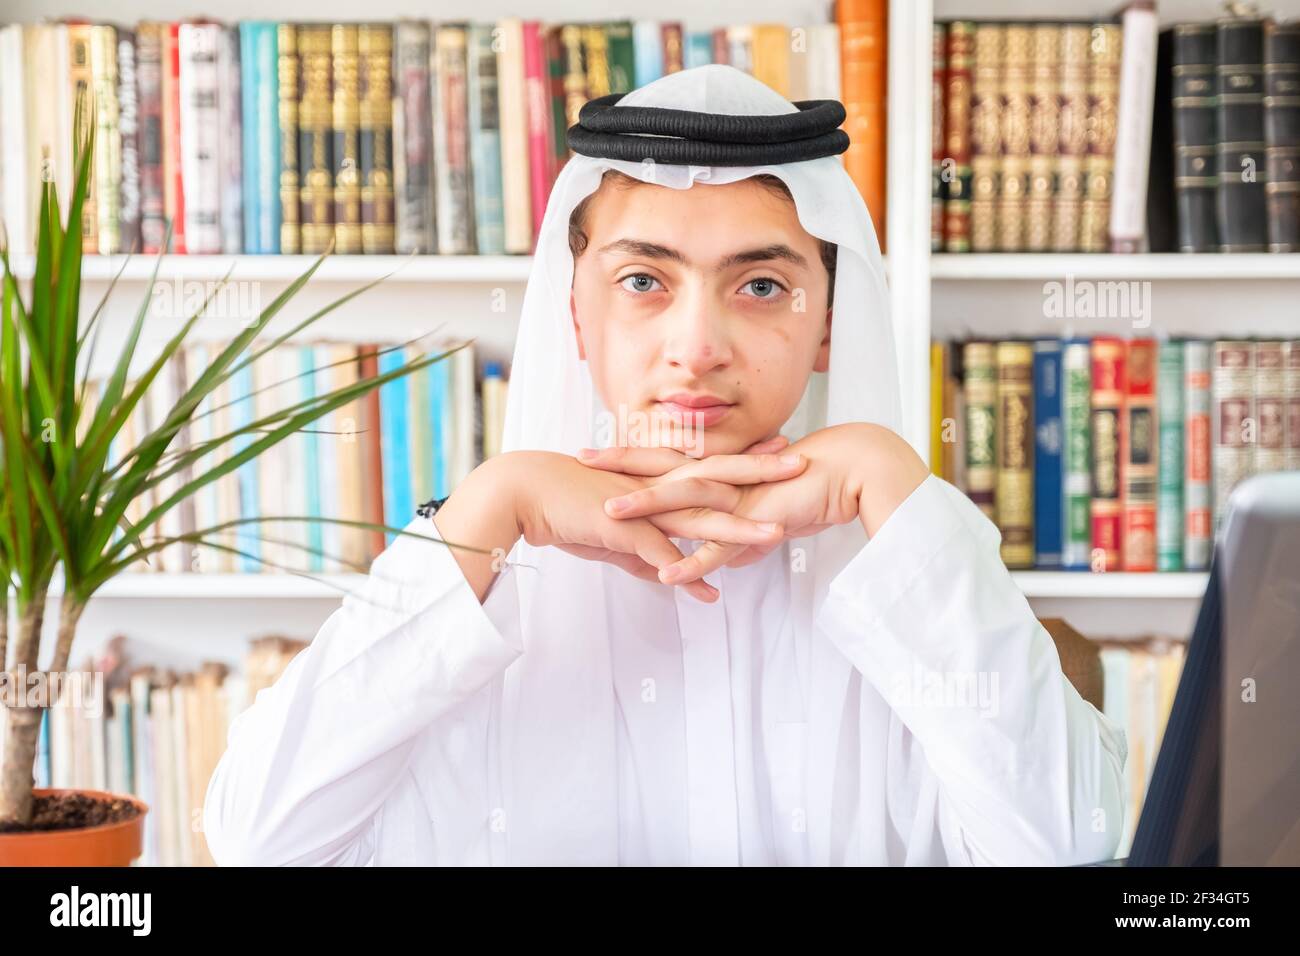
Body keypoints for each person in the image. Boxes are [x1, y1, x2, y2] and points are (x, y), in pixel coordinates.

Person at [202, 65, 1127, 866]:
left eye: (760, 285)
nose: (697, 347)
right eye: (644, 281)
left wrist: (890, 480)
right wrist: (491, 507)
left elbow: (1067, 844)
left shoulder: (909, 588)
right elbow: (257, 844)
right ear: (577, 316)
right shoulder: (481, 579)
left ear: (829, 324)